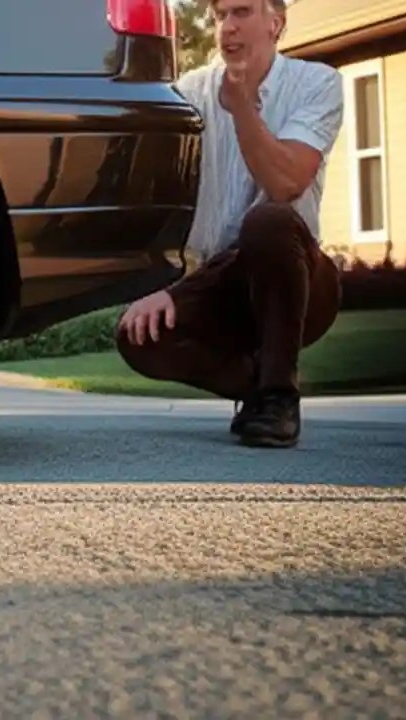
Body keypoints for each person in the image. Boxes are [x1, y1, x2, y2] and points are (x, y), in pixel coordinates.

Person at [115, 0, 345, 449]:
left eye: (242, 12)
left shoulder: (318, 83)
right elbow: (154, 192)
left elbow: (285, 183)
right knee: (136, 335)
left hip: (295, 282)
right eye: (220, 16)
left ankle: (279, 400)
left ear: (276, 23)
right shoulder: (190, 93)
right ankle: (263, 388)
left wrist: (242, 109)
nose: (227, 28)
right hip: (219, 289)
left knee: (270, 221)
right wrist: (153, 282)